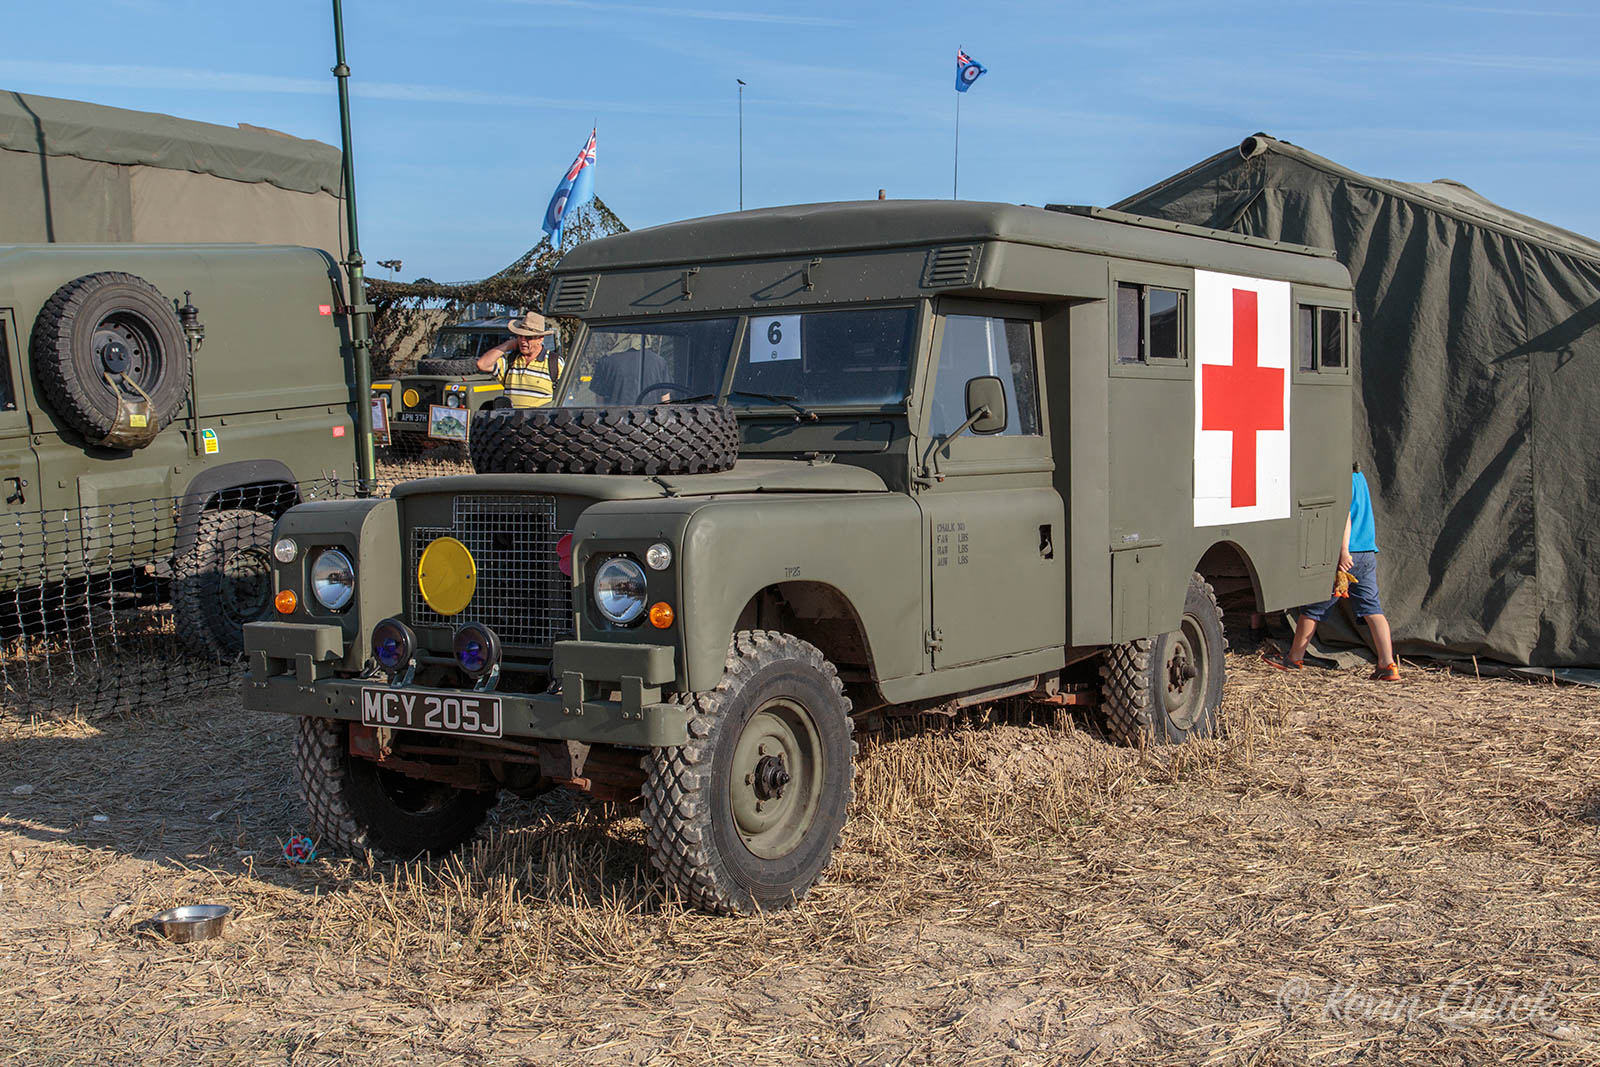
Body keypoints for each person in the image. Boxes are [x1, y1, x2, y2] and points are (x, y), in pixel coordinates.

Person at [1277, 463, 1400, 681]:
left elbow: (1345, 517)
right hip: (1367, 552)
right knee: (1373, 609)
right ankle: (1387, 664)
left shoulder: (1340, 482)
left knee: (1313, 608)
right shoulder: (1360, 479)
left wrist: (1343, 554)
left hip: (1347, 554)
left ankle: (1294, 659)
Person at [476, 311, 562, 408]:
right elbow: (482, 364)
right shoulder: (510, 360)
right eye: (520, 336)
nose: (522, 341)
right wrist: (507, 345)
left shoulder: (554, 362)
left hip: (539, 422)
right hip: (511, 422)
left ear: (540, 338)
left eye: (528, 337)